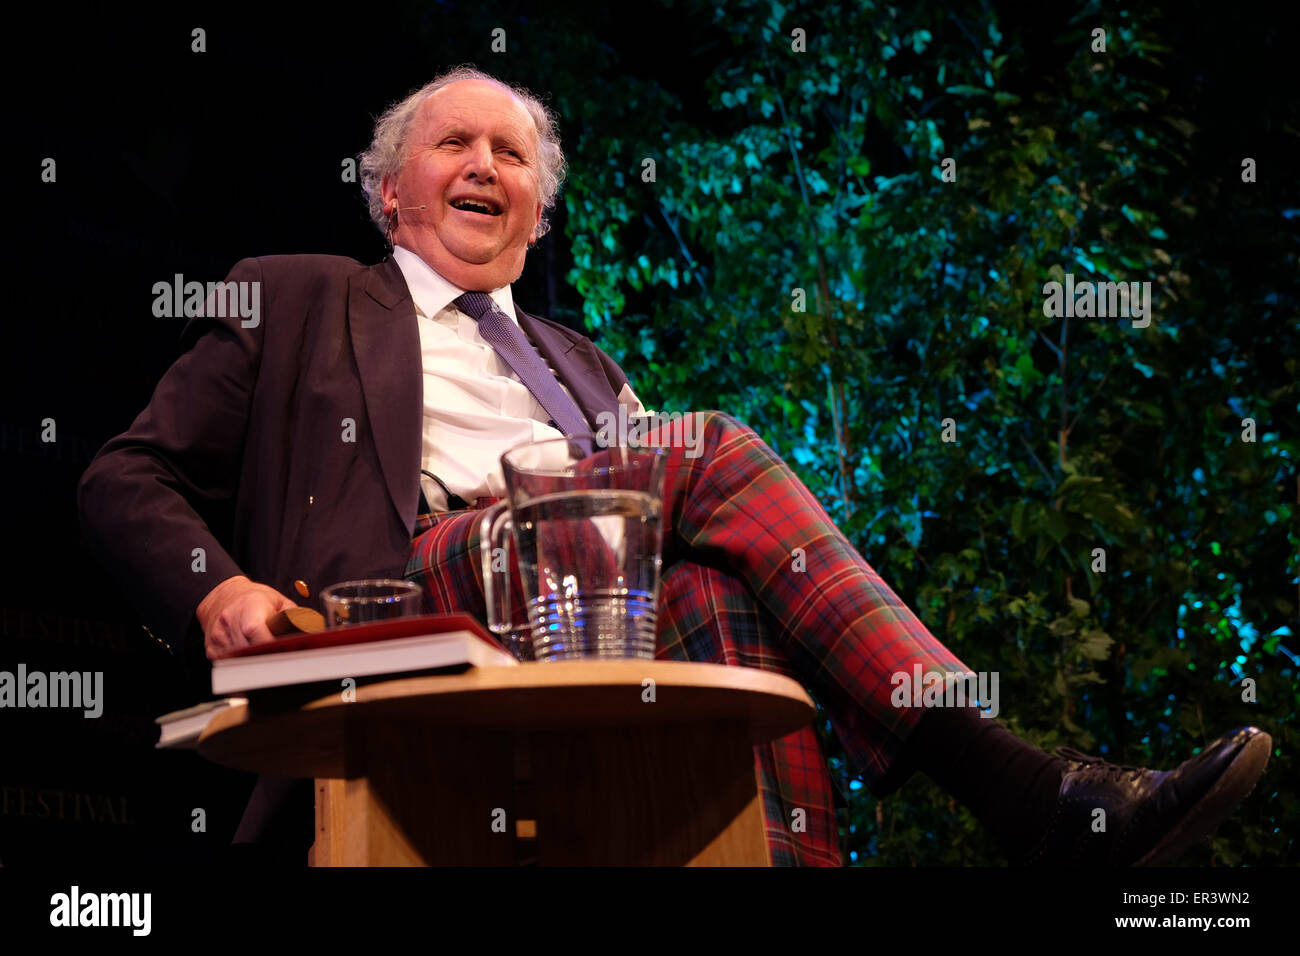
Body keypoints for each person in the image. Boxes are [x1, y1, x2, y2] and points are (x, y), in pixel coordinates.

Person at [77, 66, 1271, 867]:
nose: (487, 164)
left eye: (513, 152)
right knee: (704, 444)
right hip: (413, 605)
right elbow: (123, 476)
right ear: (392, 191)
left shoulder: (582, 362)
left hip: (597, 611)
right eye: (455, 143)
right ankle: (1011, 778)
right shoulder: (296, 296)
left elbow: (673, 518)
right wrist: (214, 586)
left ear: (540, 212)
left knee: (719, 595)